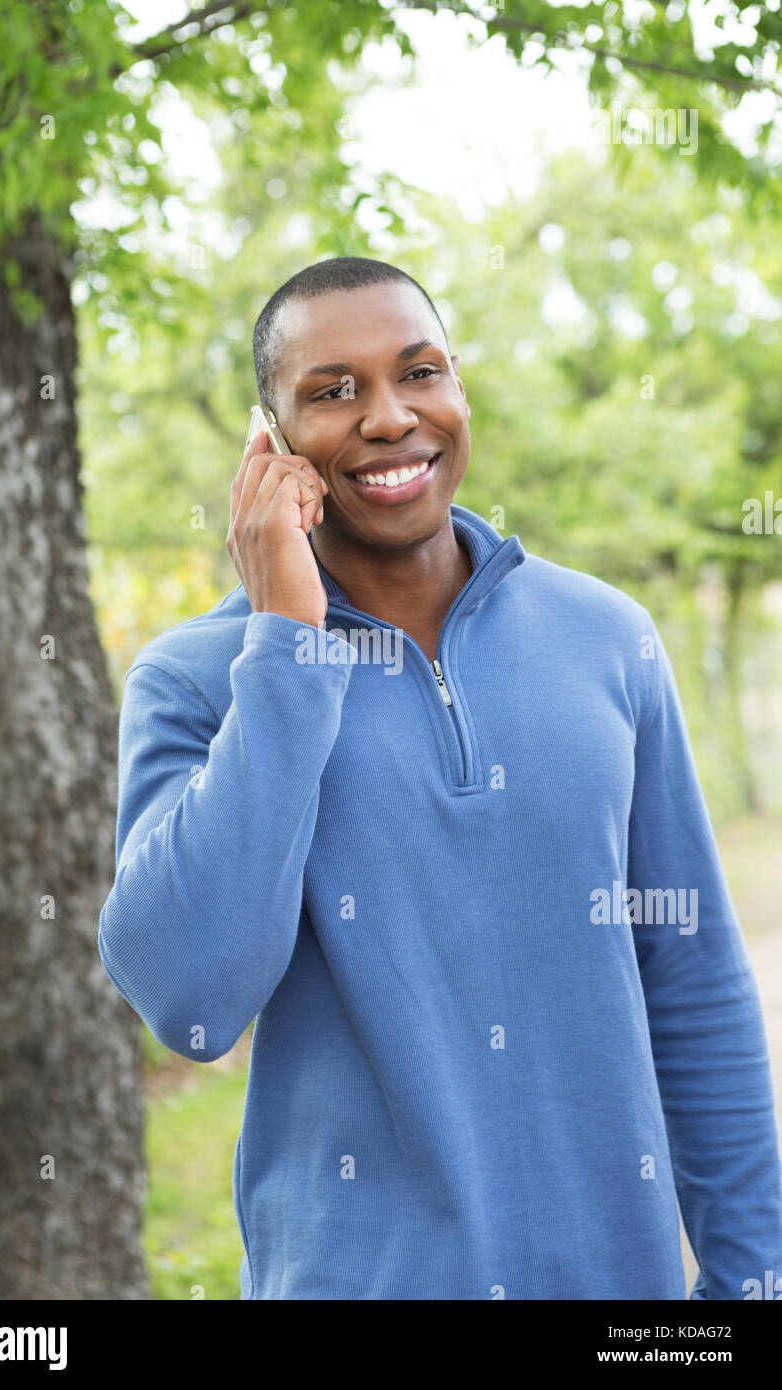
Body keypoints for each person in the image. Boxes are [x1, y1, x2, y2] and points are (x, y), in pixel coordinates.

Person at [98, 255, 782, 1300]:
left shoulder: (605, 638)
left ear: (457, 389)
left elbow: (690, 981)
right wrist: (286, 643)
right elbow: (192, 1001)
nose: (386, 417)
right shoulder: (196, 679)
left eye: (418, 373)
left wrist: (748, 1280)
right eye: (331, 391)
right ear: (268, 442)